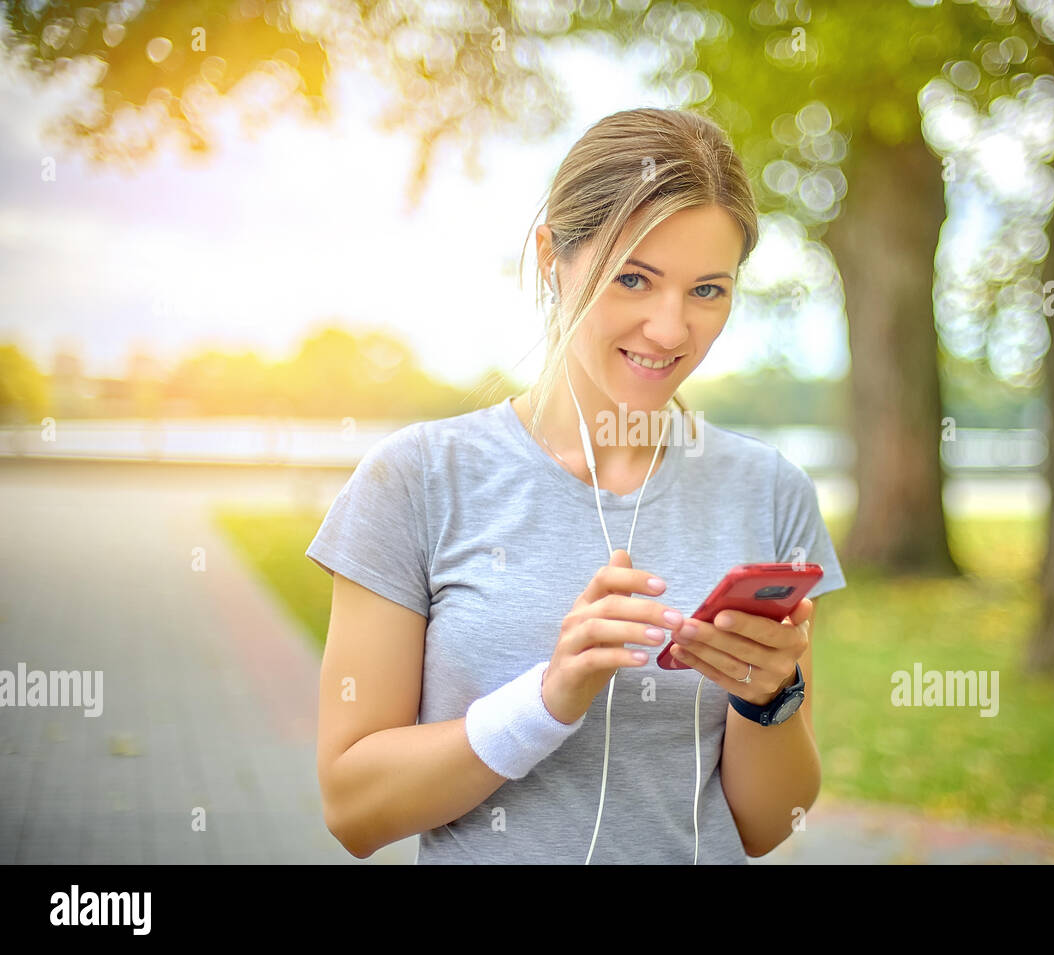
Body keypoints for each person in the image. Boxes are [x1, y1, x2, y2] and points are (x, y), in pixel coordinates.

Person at [306, 106, 847, 865]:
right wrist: (547, 699)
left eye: (707, 290)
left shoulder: (770, 491)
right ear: (550, 257)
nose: (670, 329)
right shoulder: (417, 480)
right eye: (634, 278)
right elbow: (353, 810)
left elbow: (767, 826)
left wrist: (768, 698)